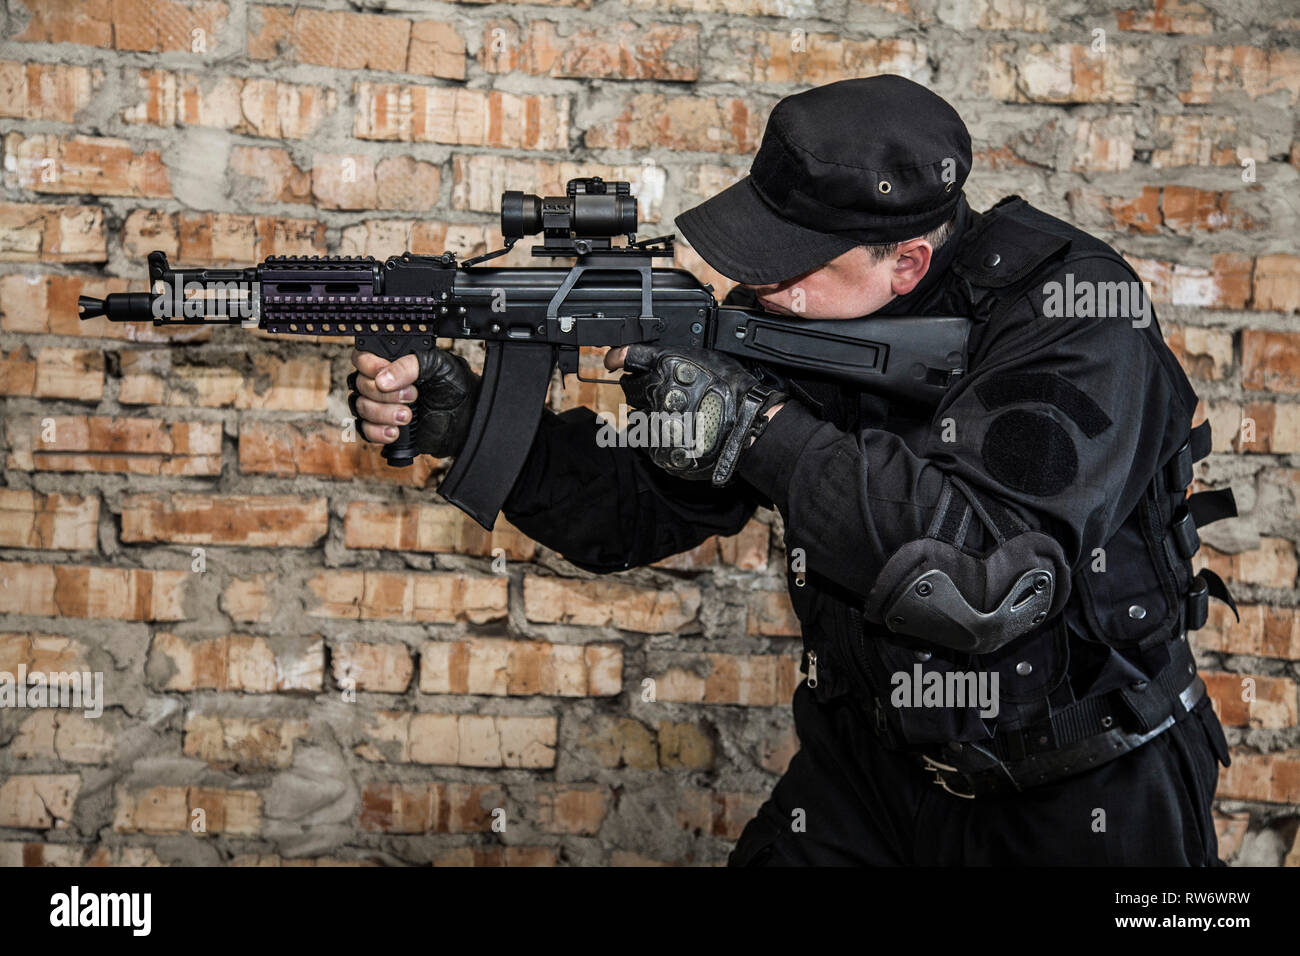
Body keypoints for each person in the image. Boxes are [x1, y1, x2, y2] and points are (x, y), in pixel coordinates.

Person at [347, 75, 1238, 866]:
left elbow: (974, 576)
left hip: (1085, 790)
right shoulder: (794, 320)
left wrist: (753, 424)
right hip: (871, 772)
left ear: (909, 263)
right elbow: (636, 516)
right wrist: (468, 425)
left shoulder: (1076, 315)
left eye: (790, 264)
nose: (760, 285)